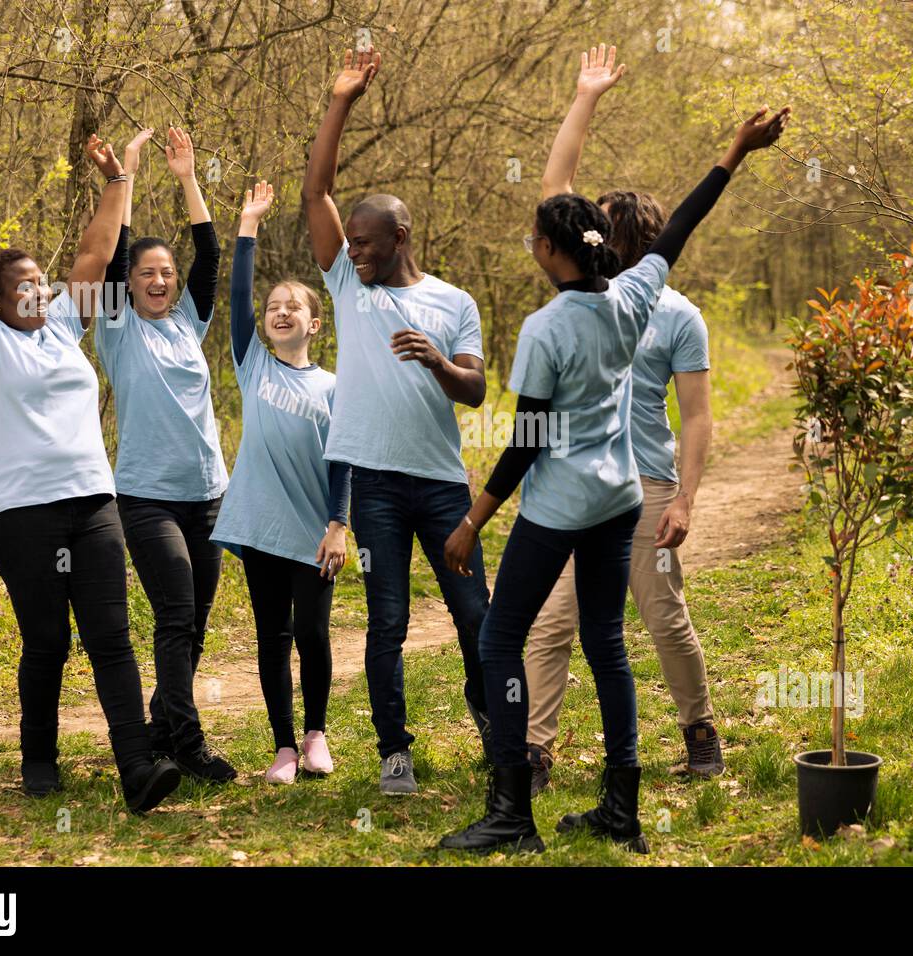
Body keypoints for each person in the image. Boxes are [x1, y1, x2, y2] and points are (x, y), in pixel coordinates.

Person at [437, 87, 791, 853]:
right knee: (604, 640)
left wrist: (473, 521)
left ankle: (510, 817)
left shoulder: (545, 328)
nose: (531, 239)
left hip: (561, 505)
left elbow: (527, 439)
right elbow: (687, 222)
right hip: (620, 498)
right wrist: (733, 152)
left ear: (550, 251)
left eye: (536, 234)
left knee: (501, 640)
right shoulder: (634, 296)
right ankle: (620, 810)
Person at [0, 120, 181, 813]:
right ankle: (38, 755)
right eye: (22, 287)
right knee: (48, 640)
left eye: (40, 281)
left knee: (111, 634)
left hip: (93, 501)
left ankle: (136, 769)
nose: (38, 291)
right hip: (19, 511)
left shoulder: (64, 323)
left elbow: (96, 249)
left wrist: (119, 180)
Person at [525, 45, 723, 792]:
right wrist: (585, 98)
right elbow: (556, 188)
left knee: (662, 613)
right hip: (574, 484)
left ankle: (700, 733)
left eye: (599, 231)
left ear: (625, 244)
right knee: (551, 624)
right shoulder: (578, 301)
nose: (582, 237)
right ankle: (537, 751)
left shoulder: (674, 314)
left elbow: (697, 417)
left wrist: (685, 498)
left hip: (644, 488)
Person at [302, 46, 492, 795]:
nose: (355, 253)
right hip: (374, 485)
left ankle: (490, 715)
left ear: (401, 239)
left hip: (444, 486)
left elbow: (475, 392)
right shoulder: (348, 285)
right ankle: (393, 752)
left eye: (368, 244)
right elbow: (316, 188)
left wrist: (438, 364)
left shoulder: (453, 302)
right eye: (349, 244)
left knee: (478, 618)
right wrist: (342, 100)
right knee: (387, 625)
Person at [97, 127, 234, 783]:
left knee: (194, 623)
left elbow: (210, 255)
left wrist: (186, 175)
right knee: (177, 613)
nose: (159, 279)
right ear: (129, 283)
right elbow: (110, 253)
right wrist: (125, 173)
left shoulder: (189, 322)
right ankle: (188, 741)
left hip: (207, 492)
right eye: (146, 272)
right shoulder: (117, 328)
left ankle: (160, 727)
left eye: (166, 273)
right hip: (147, 498)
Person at [210, 180, 351, 783]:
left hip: (315, 532)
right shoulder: (252, 365)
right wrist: (247, 227)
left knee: (314, 635)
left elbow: (344, 458)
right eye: (274, 308)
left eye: (294, 306)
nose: (281, 311)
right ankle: (284, 748)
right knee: (273, 635)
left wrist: (339, 524)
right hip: (261, 525)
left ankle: (318, 735)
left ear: (315, 324)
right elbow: (238, 296)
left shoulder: (335, 387)